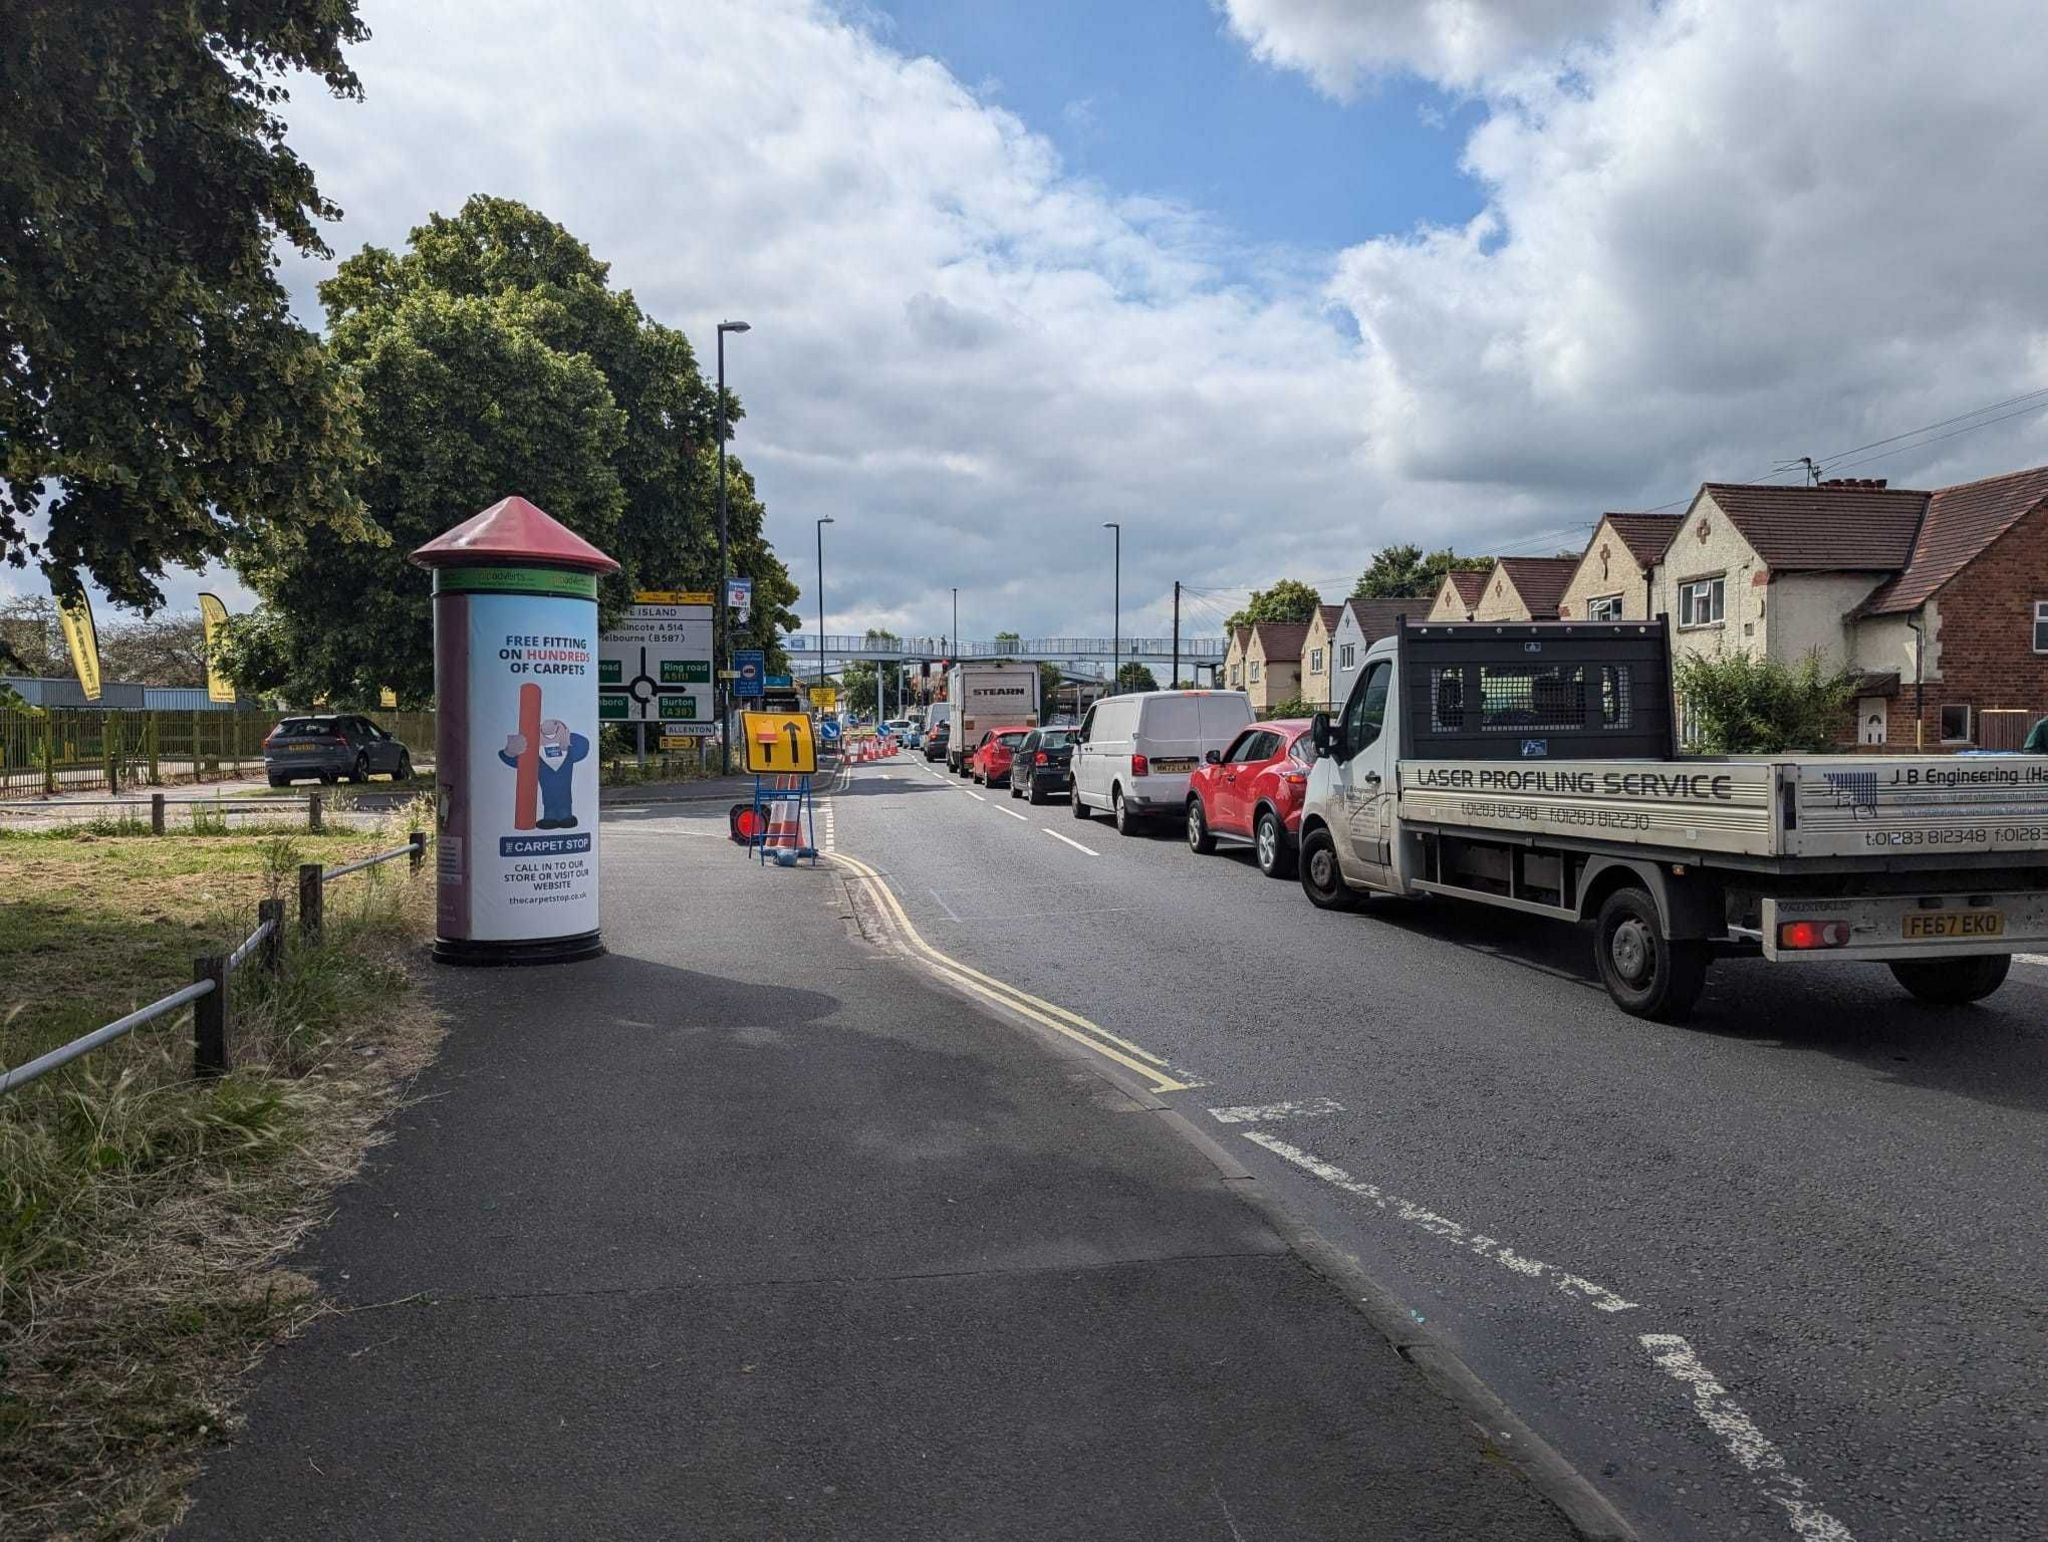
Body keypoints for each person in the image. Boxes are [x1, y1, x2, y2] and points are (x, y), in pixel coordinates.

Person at [501, 717, 590, 829]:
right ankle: (550, 818)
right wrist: (509, 752)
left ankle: (565, 816)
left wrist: (567, 735)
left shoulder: (569, 752)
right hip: (548, 798)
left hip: (565, 797)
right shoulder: (535, 756)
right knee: (550, 806)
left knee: (564, 807)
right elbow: (519, 763)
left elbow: (584, 745)